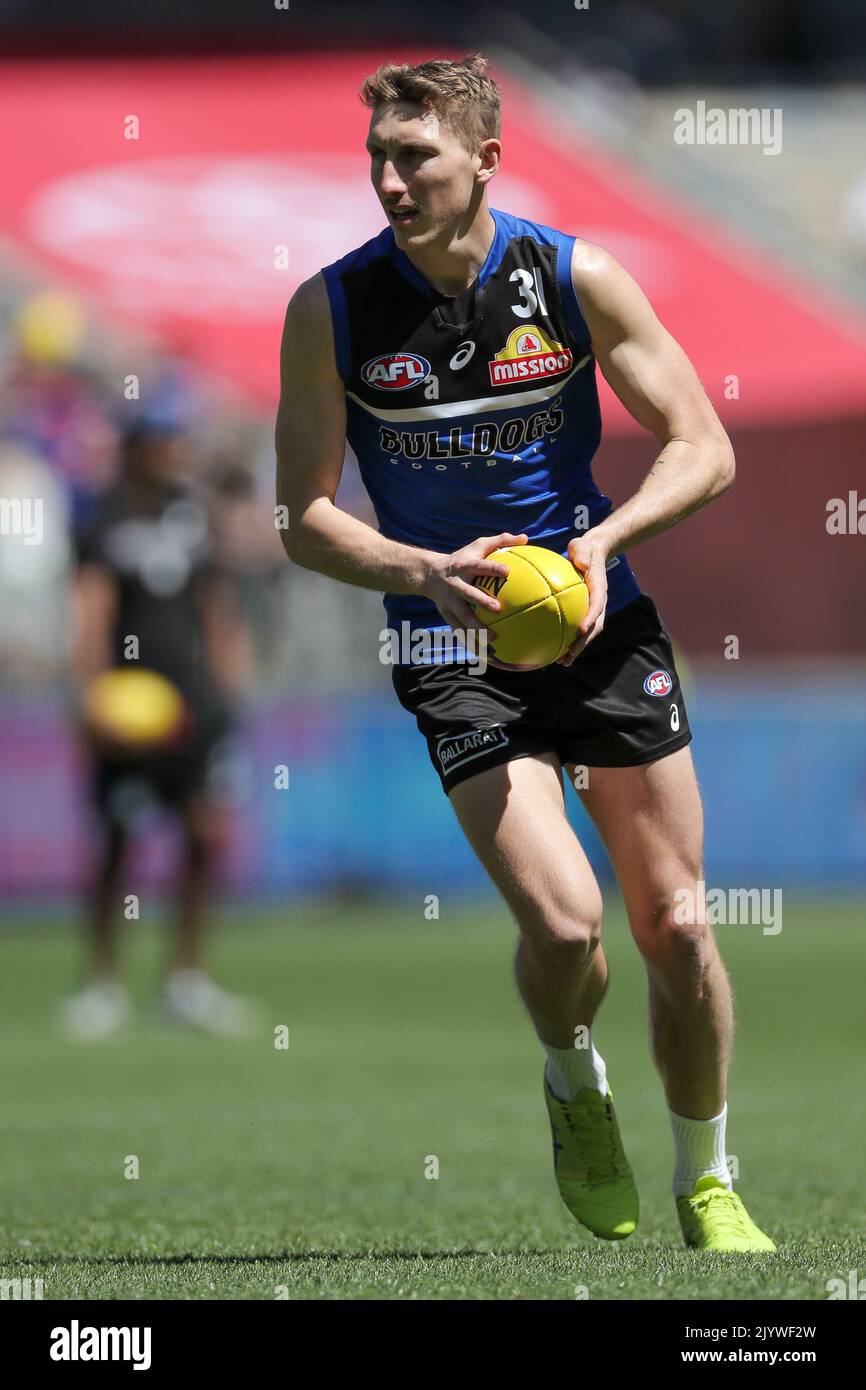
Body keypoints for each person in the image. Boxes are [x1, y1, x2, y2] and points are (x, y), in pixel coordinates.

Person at [275, 55, 774, 1252]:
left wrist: (598, 543)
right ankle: (570, 1080)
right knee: (563, 928)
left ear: (485, 161)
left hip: (599, 621)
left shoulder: (572, 276)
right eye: (378, 160)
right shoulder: (330, 309)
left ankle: (707, 1179)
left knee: (679, 924)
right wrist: (420, 572)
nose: (391, 180)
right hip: (452, 635)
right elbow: (302, 517)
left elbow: (702, 446)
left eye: (416, 157)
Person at [66, 387, 256, 1039]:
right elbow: (89, 612)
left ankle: (187, 980)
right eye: (161, 439)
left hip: (194, 706)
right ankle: (102, 984)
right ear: (136, 445)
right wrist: (90, 693)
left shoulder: (193, 515)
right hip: (129, 705)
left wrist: (231, 684)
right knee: (118, 841)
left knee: (204, 836)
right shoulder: (102, 520)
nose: (172, 451)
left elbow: (216, 605)